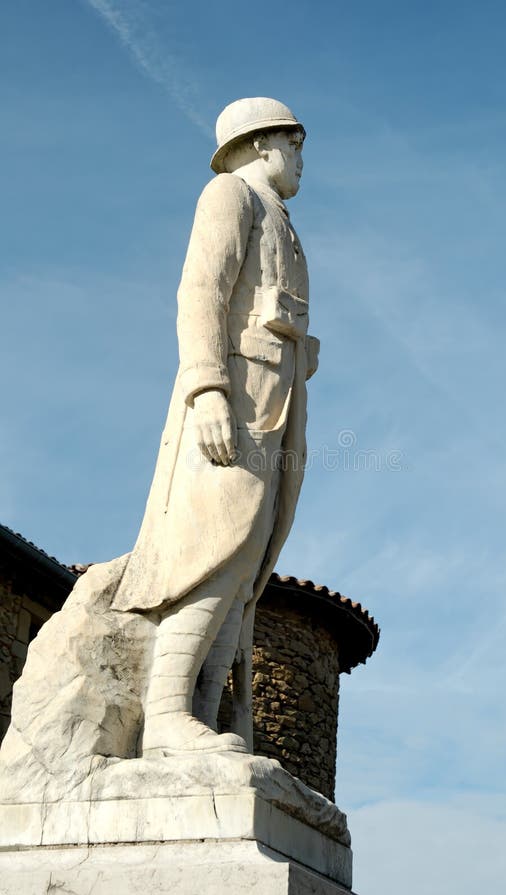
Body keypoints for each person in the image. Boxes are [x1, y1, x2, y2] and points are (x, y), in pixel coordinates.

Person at [112, 97, 319, 757]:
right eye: (295, 145)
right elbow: (201, 291)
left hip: (273, 402)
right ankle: (168, 711)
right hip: (232, 397)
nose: (300, 162)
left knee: (246, 561)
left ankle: (200, 713)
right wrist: (206, 388)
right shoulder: (229, 194)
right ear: (264, 143)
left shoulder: (282, 223)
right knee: (213, 545)